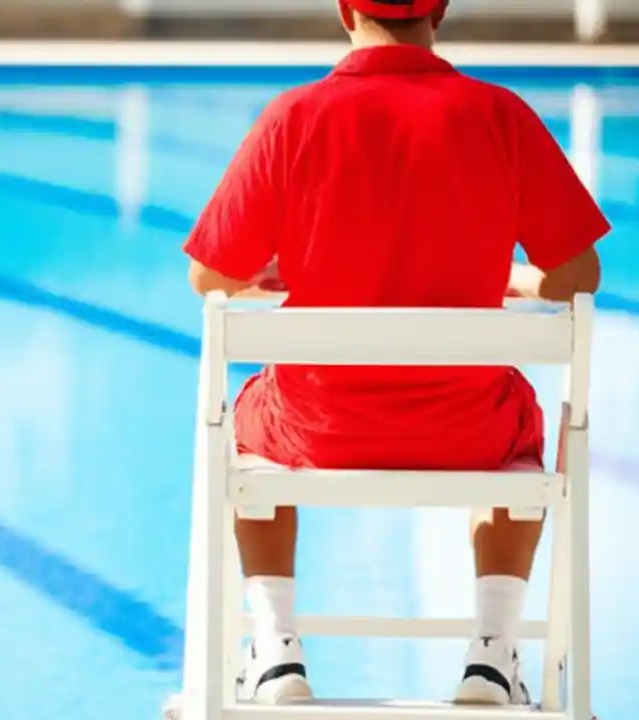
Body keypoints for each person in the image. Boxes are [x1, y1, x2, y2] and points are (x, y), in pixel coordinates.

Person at [182, 0, 609, 708]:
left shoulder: (295, 116)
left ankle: (277, 650)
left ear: (346, 9)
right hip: (468, 432)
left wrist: (266, 272)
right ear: (439, 12)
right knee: (525, 423)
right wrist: (526, 280)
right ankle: (494, 657)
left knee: (247, 414)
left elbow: (208, 275)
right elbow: (580, 276)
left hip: (318, 429)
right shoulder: (499, 115)